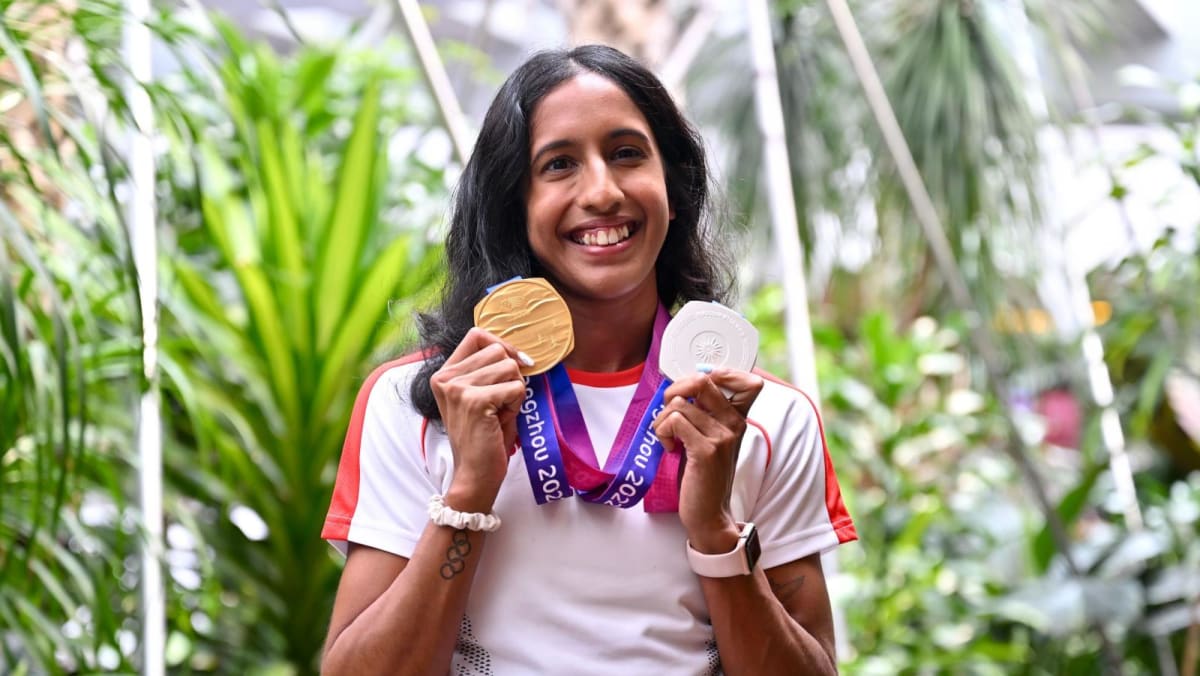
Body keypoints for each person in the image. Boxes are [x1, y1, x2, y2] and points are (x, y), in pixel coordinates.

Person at [319, 44, 856, 675]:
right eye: (558, 164)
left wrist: (714, 531)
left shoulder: (761, 416)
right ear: (514, 206)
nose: (601, 191)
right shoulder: (422, 401)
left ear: (674, 189)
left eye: (627, 153)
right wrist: (467, 492)